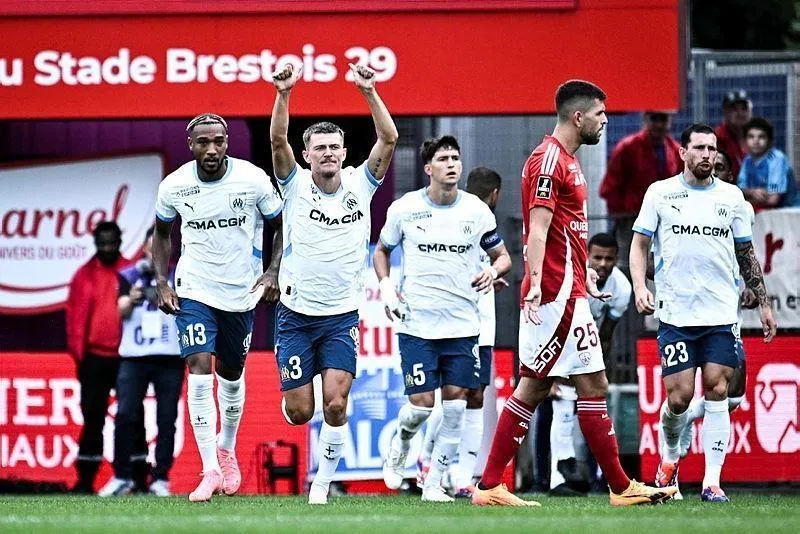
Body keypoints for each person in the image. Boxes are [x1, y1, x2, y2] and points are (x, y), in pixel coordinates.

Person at [472, 80, 672, 508]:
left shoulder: (567, 160)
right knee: (566, 385)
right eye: (600, 113)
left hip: (568, 291)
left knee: (550, 386)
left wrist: (585, 282)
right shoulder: (549, 161)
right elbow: (540, 229)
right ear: (578, 117)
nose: (605, 120)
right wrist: (540, 284)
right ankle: (619, 487)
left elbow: (567, 232)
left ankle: (492, 485)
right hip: (554, 297)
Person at [268, 62, 398, 505]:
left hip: (341, 316)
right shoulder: (294, 184)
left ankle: (321, 484)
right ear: (308, 156)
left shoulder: (362, 185)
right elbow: (277, 139)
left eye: (333, 147)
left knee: (337, 405)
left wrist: (368, 90)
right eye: (319, 147)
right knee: (301, 411)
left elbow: (389, 138)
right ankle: (293, 401)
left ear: (344, 153)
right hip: (295, 317)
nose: (326, 153)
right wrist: (284, 94)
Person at [629, 123, 777, 503]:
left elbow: (746, 254)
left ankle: (712, 482)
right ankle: (669, 460)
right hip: (676, 316)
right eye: (699, 148)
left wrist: (762, 301)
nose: (707, 155)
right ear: (683, 152)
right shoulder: (660, 193)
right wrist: (641, 285)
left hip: (721, 317)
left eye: (712, 149)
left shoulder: (732, 198)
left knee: (717, 390)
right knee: (678, 399)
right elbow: (640, 244)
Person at [153, 112, 284, 502]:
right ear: (190, 144)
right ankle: (209, 468)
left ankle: (226, 448)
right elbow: (161, 234)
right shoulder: (174, 185)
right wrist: (161, 281)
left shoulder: (253, 179)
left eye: (219, 142)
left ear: (227, 142)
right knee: (198, 366)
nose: (211, 149)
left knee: (230, 374)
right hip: (195, 288)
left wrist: (273, 270)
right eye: (203, 142)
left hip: (240, 291)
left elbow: (280, 225)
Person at [375, 140, 511, 503]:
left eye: (455, 158)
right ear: (428, 169)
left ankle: (434, 483)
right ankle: (402, 442)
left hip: (463, 327)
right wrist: (387, 288)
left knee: (456, 406)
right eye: (443, 159)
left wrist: (492, 270)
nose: (451, 164)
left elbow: (502, 256)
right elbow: (382, 250)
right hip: (417, 325)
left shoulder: (477, 211)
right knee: (421, 406)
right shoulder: (405, 209)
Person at [415, 166, 508, 499]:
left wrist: (492, 275)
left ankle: (464, 476)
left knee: (475, 395)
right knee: (453, 393)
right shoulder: (459, 218)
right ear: (496, 193)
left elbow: (495, 261)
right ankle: (426, 460)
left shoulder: (486, 228)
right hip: (456, 323)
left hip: (482, 323)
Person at [98, 228, 184, 497]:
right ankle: (122, 476)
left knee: (167, 418)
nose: (153, 253)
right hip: (134, 356)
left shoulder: (177, 276)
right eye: (150, 248)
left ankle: (160, 478)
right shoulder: (129, 275)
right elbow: (120, 308)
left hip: (169, 356)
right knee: (125, 414)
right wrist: (133, 297)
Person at [548, 232, 631, 496]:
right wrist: (552, 370)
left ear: (617, 259)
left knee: (588, 403)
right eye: (597, 257)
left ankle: (583, 475)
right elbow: (553, 321)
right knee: (555, 399)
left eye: (609, 258)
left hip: (587, 343)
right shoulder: (568, 274)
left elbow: (606, 334)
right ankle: (552, 478)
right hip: (555, 337)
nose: (603, 264)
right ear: (587, 255)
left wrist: (595, 369)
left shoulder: (622, 288)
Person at [66, 221, 133, 493]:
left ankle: (137, 478)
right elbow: (74, 319)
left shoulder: (130, 271)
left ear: (119, 241)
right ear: (95, 243)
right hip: (94, 359)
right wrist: (80, 358)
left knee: (131, 417)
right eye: (102, 243)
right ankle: (85, 479)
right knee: (93, 418)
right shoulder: (83, 275)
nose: (107, 248)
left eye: (111, 243)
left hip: (127, 358)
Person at [599, 111, 682, 273]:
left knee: (665, 262)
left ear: (670, 121)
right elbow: (611, 186)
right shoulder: (628, 148)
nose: (659, 124)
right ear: (645, 120)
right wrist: (621, 215)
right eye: (654, 119)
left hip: (665, 220)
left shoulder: (675, 150)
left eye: (663, 119)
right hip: (631, 218)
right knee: (628, 264)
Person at [737, 116, 798, 209]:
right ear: (744, 140)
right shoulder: (747, 159)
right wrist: (752, 191)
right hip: (764, 211)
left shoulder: (777, 158)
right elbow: (740, 190)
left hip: (790, 211)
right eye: (751, 136)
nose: (756, 141)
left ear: (769, 141)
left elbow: (773, 200)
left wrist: (746, 199)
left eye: (761, 137)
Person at [714, 90, 752, 180]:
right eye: (734, 109)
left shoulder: (757, 136)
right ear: (725, 113)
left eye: (744, 108)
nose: (740, 113)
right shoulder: (717, 138)